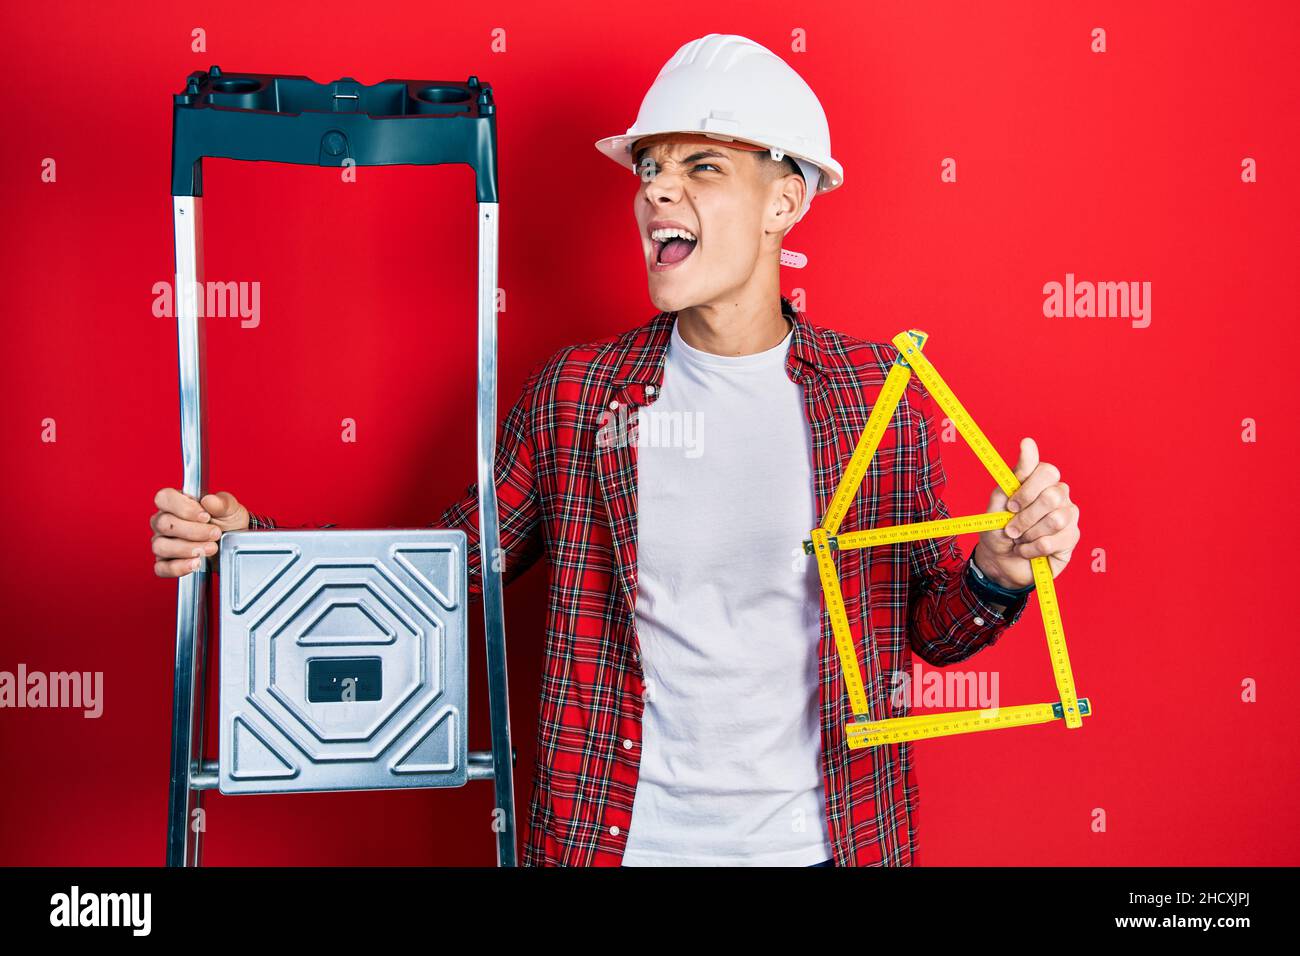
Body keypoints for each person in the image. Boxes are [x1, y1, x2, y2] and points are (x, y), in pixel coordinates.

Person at [149, 34, 1081, 866]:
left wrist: (1000, 565)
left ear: (784, 201)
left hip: (828, 842)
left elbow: (929, 630)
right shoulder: (579, 392)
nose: (658, 191)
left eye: (703, 167)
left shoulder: (877, 400)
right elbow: (448, 577)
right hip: (616, 840)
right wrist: (251, 545)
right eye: (650, 169)